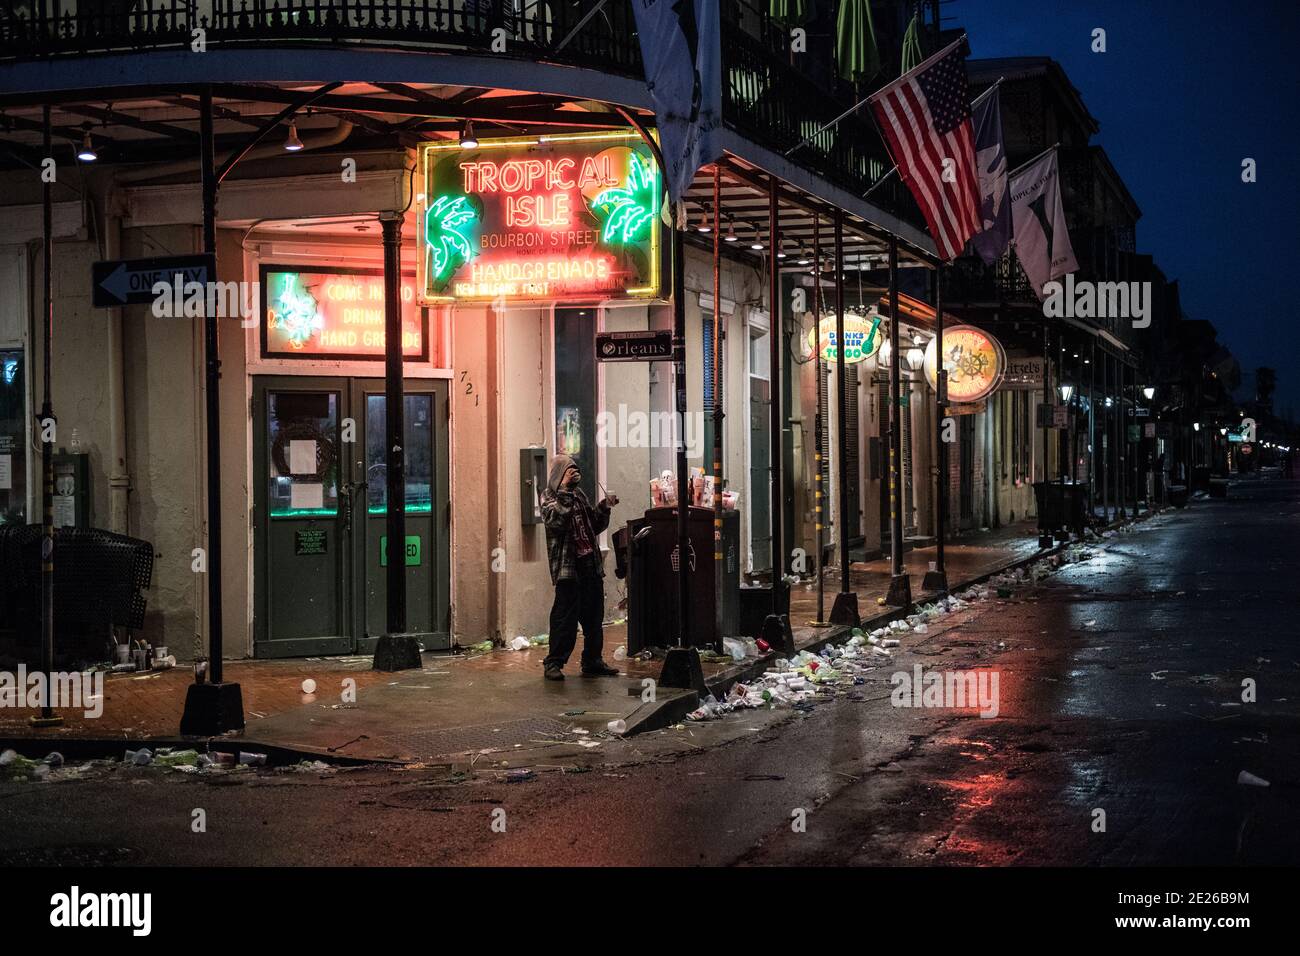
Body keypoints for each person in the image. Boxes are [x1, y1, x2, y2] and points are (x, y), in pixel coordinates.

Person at [540, 454, 620, 681]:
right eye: (569, 471)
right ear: (559, 475)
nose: (575, 473)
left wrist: (604, 508)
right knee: (564, 617)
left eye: (575, 470)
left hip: (589, 563)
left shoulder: (579, 495)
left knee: (594, 617)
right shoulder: (549, 497)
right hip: (568, 567)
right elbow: (556, 522)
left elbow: (593, 525)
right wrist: (565, 490)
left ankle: (592, 660)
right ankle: (554, 662)